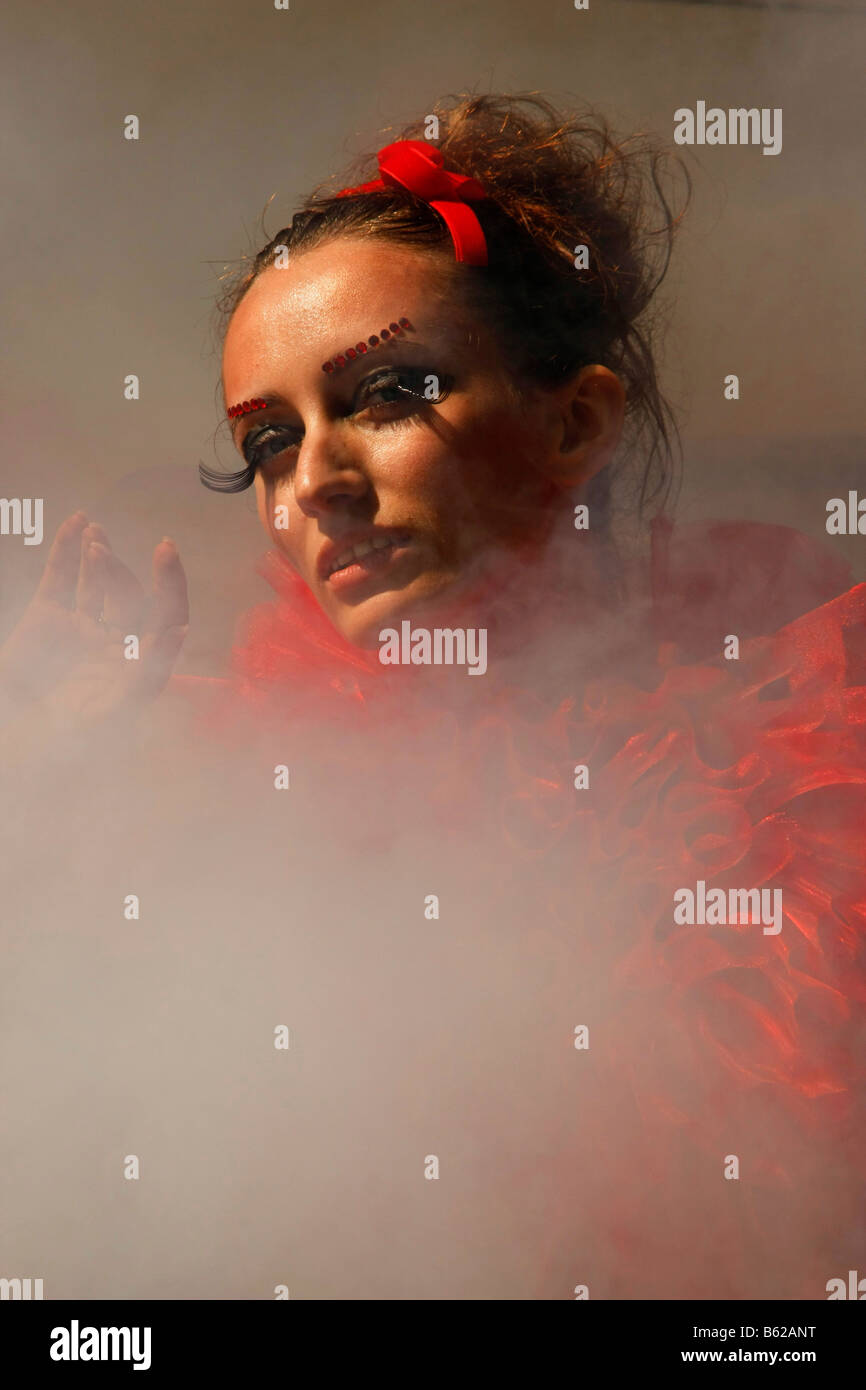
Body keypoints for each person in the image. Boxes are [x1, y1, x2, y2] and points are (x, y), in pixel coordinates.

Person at [1, 95, 863, 1298]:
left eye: (388, 393)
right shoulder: (228, 788)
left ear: (574, 422)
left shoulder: (820, 751)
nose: (316, 484)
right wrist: (39, 787)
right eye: (263, 444)